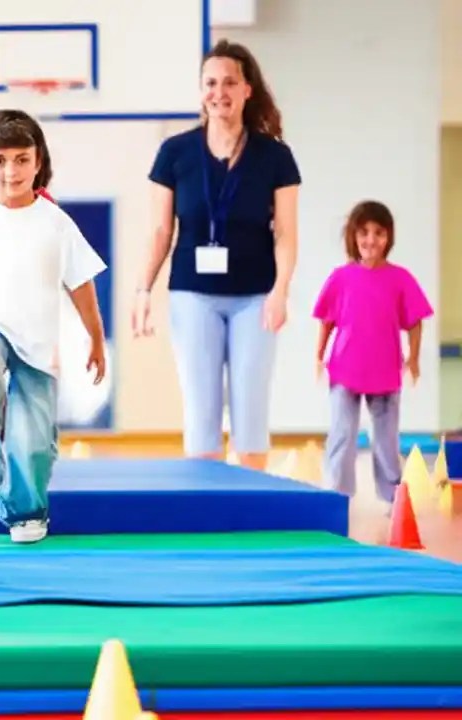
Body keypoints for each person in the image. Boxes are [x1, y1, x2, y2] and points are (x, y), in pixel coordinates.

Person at [133, 39, 300, 471]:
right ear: (200, 90)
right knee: (202, 410)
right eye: (210, 83)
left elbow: (285, 232)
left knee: (250, 406)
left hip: (255, 297)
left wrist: (281, 290)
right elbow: (159, 230)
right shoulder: (175, 153)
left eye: (230, 82)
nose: (219, 92)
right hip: (193, 295)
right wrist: (141, 290)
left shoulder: (275, 156)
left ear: (247, 90)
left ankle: (251, 509)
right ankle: (209, 509)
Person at [0, 110, 107, 543]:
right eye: (0, 161)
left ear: (38, 162)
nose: (11, 171)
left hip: (38, 346)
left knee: (30, 441)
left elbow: (80, 283)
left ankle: (25, 508)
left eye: (21, 160)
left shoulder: (56, 222)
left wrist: (96, 337)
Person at [314, 200, 432, 507]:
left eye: (378, 233)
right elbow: (327, 320)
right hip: (345, 371)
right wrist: (319, 355)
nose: (370, 240)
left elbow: (415, 321)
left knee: (386, 442)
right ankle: (335, 498)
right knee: (341, 437)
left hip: (385, 374)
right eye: (364, 232)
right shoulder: (341, 277)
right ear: (353, 236)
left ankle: (394, 499)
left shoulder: (400, 278)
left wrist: (414, 358)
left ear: (389, 237)